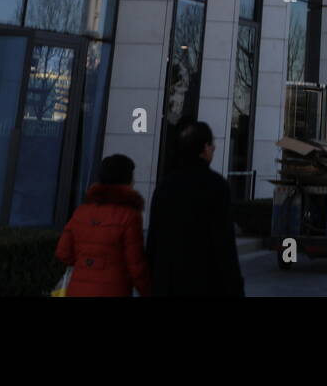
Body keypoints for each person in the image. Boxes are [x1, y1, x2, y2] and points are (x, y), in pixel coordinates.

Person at [147, 120, 245, 297]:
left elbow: (154, 241)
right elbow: (224, 245)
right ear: (204, 148)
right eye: (211, 144)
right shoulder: (216, 186)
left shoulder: (165, 186)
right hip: (204, 283)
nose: (214, 148)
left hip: (168, 283)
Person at [55, 154, 151, 297]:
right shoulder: (129, 215)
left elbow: (63, 253)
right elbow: (136, 266)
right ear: (126, 180)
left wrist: (88, 263)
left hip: (77, 290)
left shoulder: (81, 212)